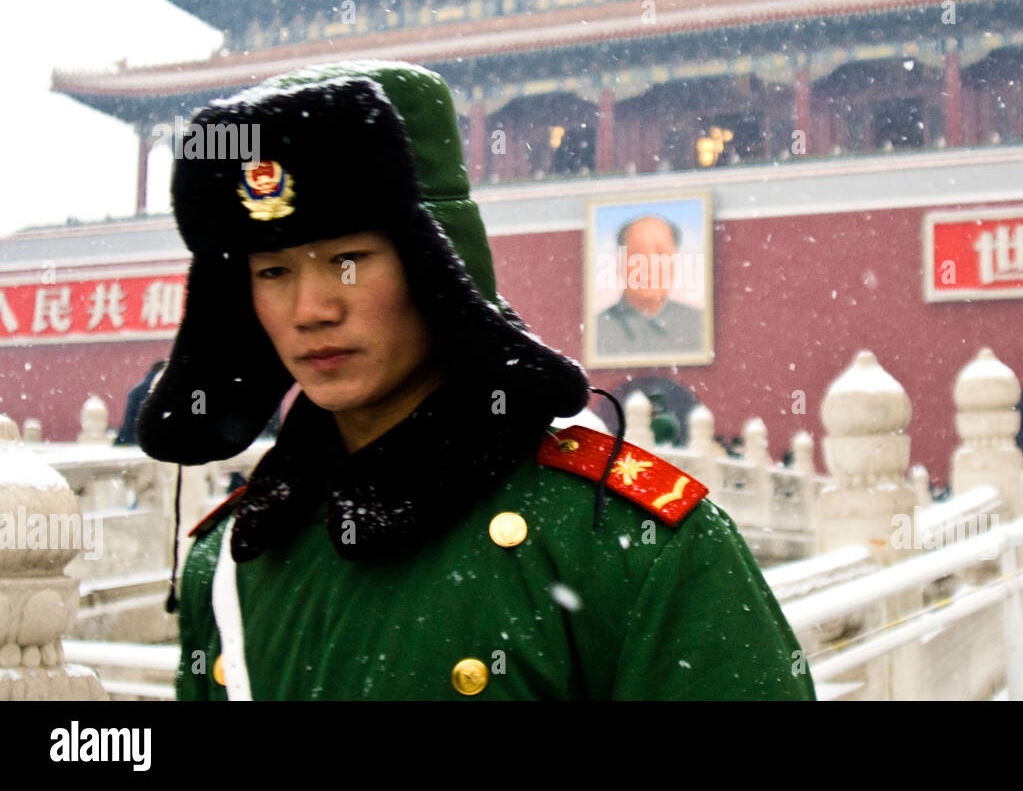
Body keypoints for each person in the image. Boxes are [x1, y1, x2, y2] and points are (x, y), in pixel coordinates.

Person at [137, 61, 814, 701]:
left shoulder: (619, 544)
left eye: (348, 260)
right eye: (274, 271)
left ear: (440, 266)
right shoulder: (229, 561)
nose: (311, 309)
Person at [594, 215, 704, 356]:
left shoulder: (698, 325)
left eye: (660, 253)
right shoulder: (596, 329)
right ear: (620, 262)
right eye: (637, 254)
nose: (649, 265)